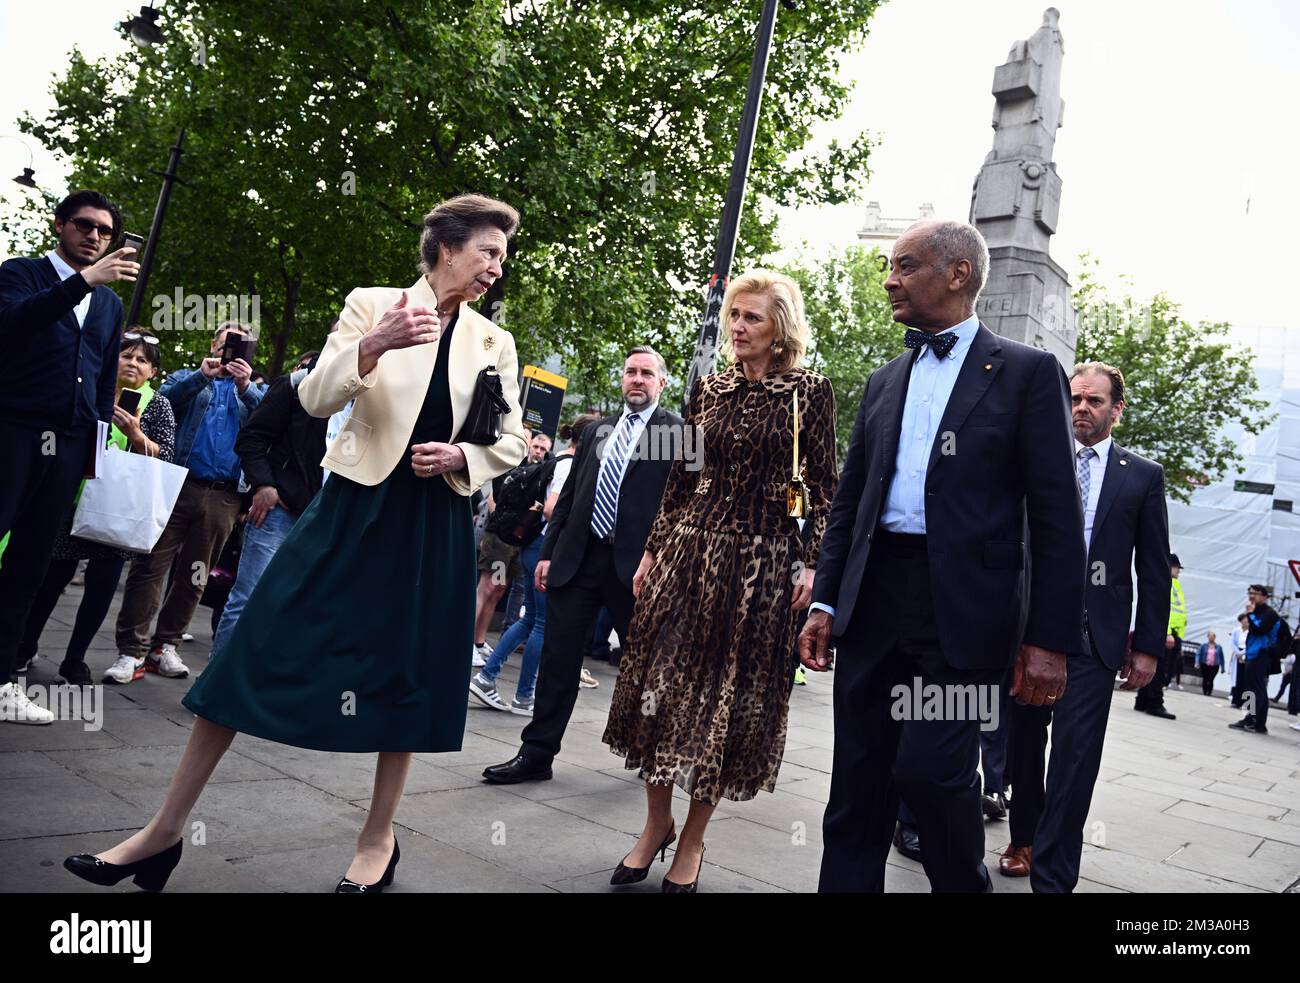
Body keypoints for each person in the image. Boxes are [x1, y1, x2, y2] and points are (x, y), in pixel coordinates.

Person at [64, 193, 527, 893]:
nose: (497, 265)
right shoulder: (375, 303)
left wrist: (464, 456)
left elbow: (515, 439)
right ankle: (162, 832)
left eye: (501, 253)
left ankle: (378, 838)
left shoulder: (495, 342)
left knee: (407, 676)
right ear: (446, 246)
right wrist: (375, 344)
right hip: (350, 507)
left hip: (432, 522)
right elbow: (314, 398)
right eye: (487, 250)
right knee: (251, 649)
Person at [800, 219, 1086, 893]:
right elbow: (851, 504)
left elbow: (1055, 516)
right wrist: (825, 597)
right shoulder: (883, 380)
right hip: (873, 601)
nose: (890, 279)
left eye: (905, 266)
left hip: (962, 613)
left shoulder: (1028, 374)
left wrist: (1049, 638)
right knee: (856, 788)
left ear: (957, 274)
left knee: (930, 773)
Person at [603, 270, 837, 892]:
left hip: (761, 563)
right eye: (734, 316)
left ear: (780, 326)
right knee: (659, 685)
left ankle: (695, 842)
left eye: (752, 317)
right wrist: (654, 550)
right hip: (687, 553)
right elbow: (681, 478)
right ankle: (656, 826)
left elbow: (822, 489)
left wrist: (811, 563)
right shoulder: (707, 388)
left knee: (724, 703)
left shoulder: (808, 393)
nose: (738, 327)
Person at [1000, 361, 1170, 891]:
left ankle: (1053, 876)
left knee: (1075, 760)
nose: (1081, 408)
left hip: (1095, 641)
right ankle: (1024, 838)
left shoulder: (1141, 475)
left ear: (1116, 410)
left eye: (1094, 401)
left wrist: (1146, 648)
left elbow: (1154, 568)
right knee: (1025, 748)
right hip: (1030, 632)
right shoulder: (1034, 461)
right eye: (1074, 399)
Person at [482, 347, 683, 785]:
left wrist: (666, 560)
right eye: (631, 371)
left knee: (648, 664)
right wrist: (550, 551)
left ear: (661, 383)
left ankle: (654, 753)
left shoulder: (679, 434)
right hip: (580, 559)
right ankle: (536, 754)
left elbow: (690, 504)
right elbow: (571, 495)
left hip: (640, 570)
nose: (637, 379)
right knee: (558, 657)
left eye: (647, 373)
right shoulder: (598, 431)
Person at [0, 190, 138, 724]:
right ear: (60, 225)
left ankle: (5, 676)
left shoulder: (109, 303)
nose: (96, 236)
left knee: (31, 560)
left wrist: (95, 441)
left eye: (105, 231)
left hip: (71, 439)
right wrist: (82, 281)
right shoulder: (23, 273)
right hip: (14, 428)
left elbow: (105, 375)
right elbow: (12, 324)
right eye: (85, 225)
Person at [110, 322, 265, 684]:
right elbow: (162, 402)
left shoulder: (254, 391)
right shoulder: (189, 377)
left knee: (195, 575)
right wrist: (201, 376)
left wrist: (246, 388)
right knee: (149, 566)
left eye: (241, 347)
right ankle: (130, 651)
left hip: (224, 494)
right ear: (215, 345)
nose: (232, 352)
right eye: (227, 344)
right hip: (176, 483)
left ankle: (165, 645)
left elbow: (267, 422)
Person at [18, 333, 176, 686]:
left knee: (101, 587)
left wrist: (136, 435)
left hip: (118, 509)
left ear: (152, 371)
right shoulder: (92, 391)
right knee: (51, 579)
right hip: (72, 500)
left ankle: (75, 660)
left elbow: (166, 457)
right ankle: (25, 646)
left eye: (142, 360)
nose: (133, 363)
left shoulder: (158, 405)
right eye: (126, 356)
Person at [470, 413, 599, 714]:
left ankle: (487, 678)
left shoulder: (559, 462)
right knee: (541, 623)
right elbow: (553, 508)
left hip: (534, 547)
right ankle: (523, 695)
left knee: (528, 620)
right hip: (546, 549)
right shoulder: (569, 466)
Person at [207, 345, 329, 660]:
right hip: (280, 513)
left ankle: (262, 693)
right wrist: (265, 484)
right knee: (248, 599)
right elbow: (252, 437)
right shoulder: (297, 385)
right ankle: (214, 693)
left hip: (331, 520)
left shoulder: (373, 396)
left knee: (300, 609)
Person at [471, 429, 552, 666]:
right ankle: (466, 643)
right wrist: (502, 525)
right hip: (501, 535)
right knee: (487, 586)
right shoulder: (510, 465)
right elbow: (494, 497)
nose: (538, 451)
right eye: (535, 445)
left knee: (498, 589)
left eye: (543, 449)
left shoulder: (539, 472)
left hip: (517, 540)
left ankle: (478, 640)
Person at [1133, 554, 1182, 719]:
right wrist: (1167, 632)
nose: (1179, 572)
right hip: (1167, 634)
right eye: (1177, 568)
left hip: (1169, 633)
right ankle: (1155, 703)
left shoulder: (1174, 584)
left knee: (1156, 667)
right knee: (1160, 670)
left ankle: (1142, 700)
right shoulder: (1166, 582)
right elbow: (1162, 607)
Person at [1231, 585, 1278, 735]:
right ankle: (1252, 719)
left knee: (1257, 690)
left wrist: (1250, 614)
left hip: (1261, 655)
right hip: (1253, 655)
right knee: (1252, 690)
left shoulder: (1269, 613)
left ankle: (1255, 721)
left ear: (1265, 597)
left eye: (1256, 593)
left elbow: (1259, 629)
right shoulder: (1258, 612)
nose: (1252, 596)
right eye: (1250, 593)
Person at [1228, 613, 1248, 707]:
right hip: (1237, 654)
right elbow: (1233, 643)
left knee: (1245, 678)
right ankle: (1235, 701)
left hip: (1247, 654)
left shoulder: (1251, 632)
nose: (1246, 623)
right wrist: (1238, 653)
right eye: (1245, 621)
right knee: (1237, 678)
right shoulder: (1236, 631)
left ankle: (1244, 702)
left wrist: (1243, 653)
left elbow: (1250, 644)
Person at [1197, 632, 1225, 697]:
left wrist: (1223, 668)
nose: (1211, 638)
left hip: (1214, 666)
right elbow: (1198, 654)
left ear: (1214, 637)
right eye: (1210, 636)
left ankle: (1209, 691)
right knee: (1205, 678)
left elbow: (1221, 658)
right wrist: (1197, 662)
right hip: (1205, 664)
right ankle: (1205, 691)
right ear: (1208, 637)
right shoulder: (1203, 646)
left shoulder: (1218, 647)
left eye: (1212, 636)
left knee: (1211, 679)